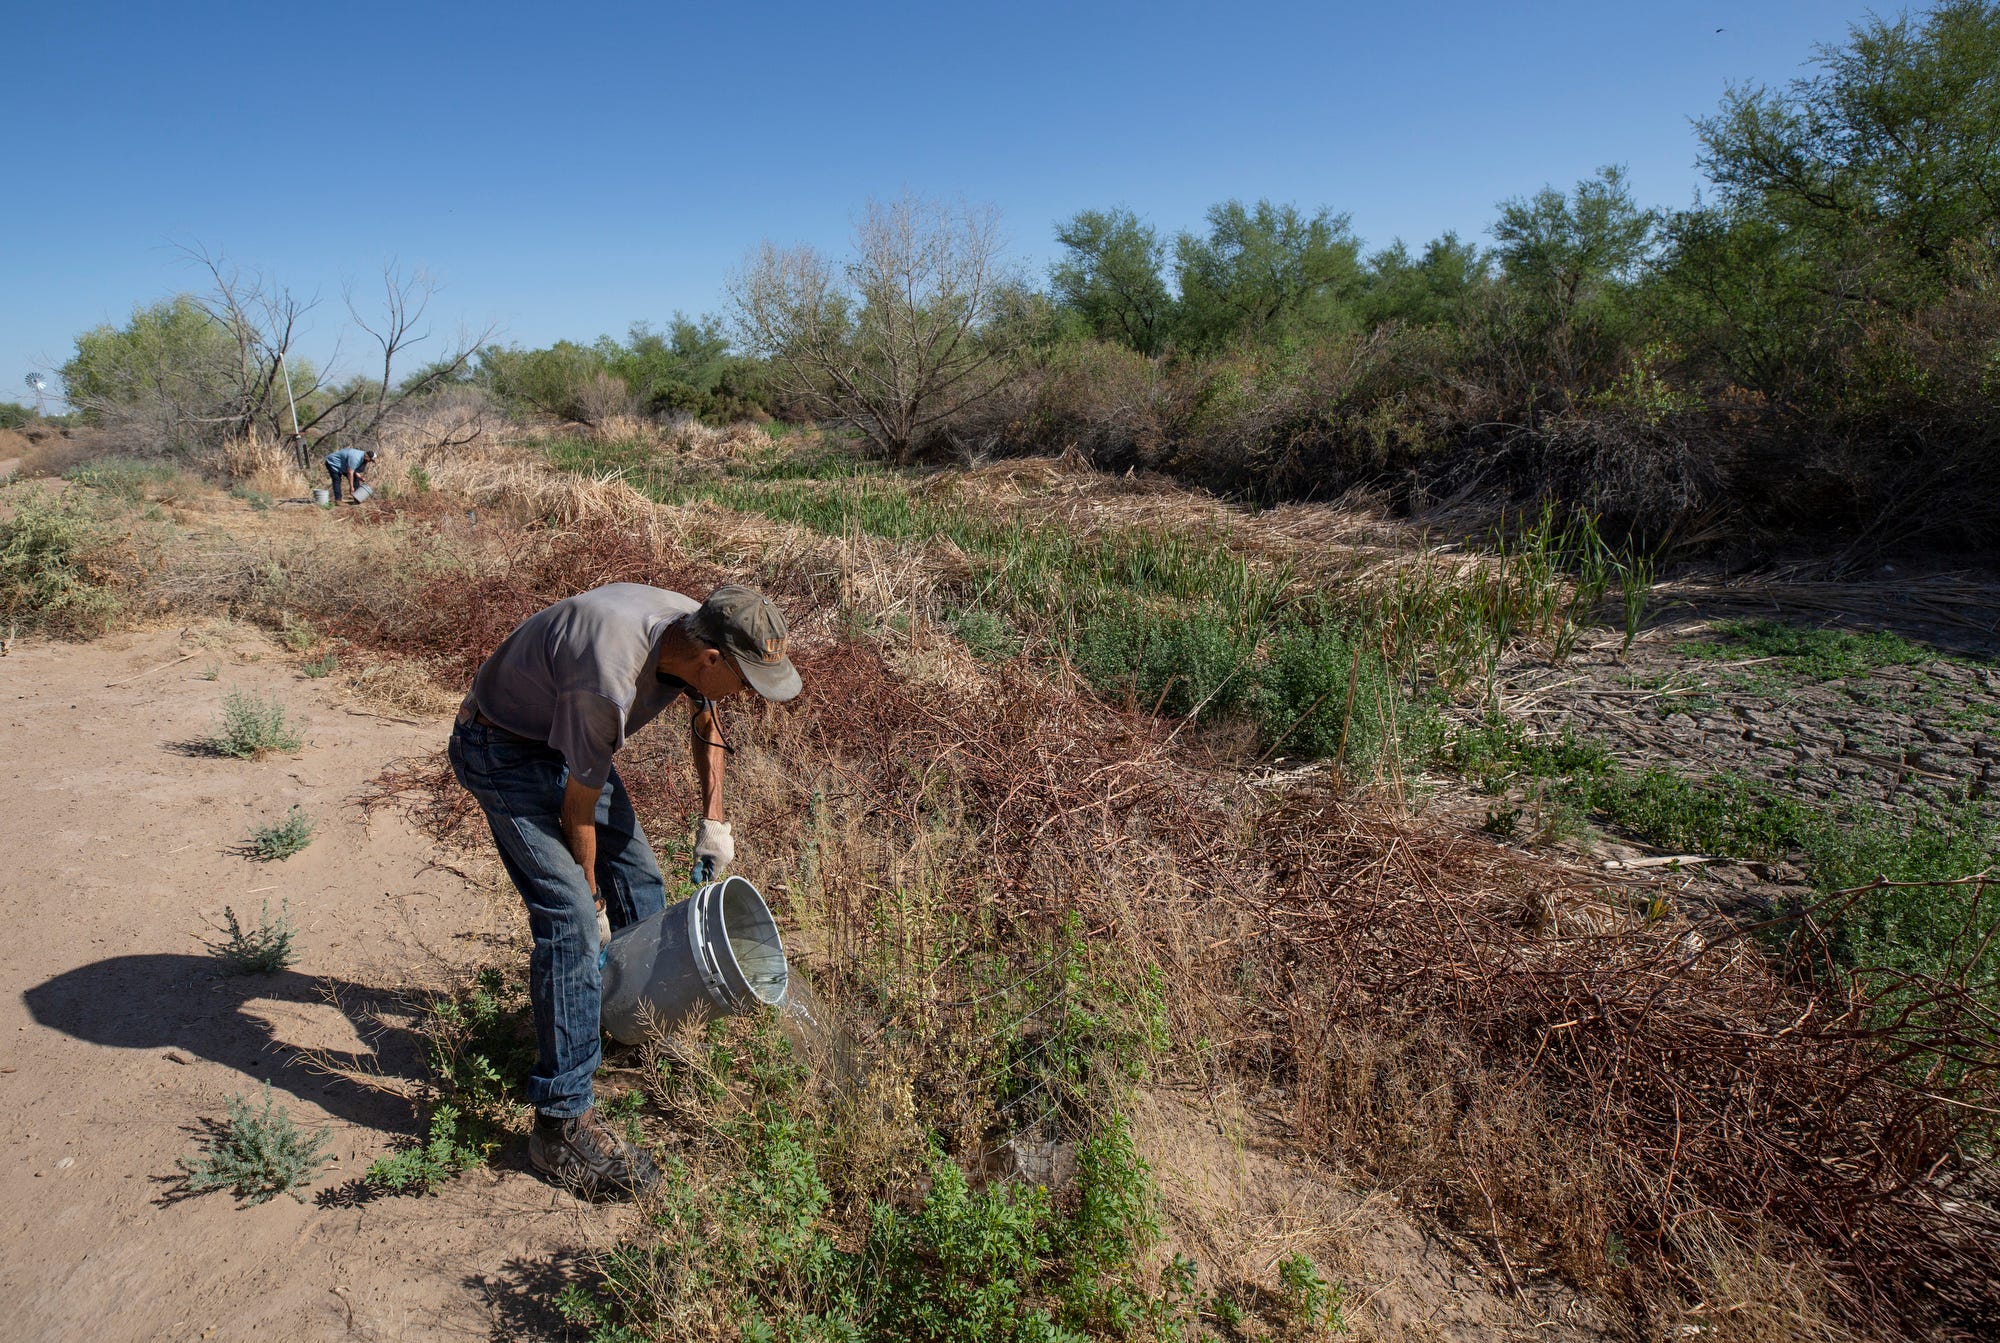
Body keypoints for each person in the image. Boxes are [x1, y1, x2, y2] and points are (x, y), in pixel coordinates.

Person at [447, 582, 802, 1198]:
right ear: (712, 660)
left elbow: (707, 714)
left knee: (642, 877)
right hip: (502, 746)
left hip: (563, 736)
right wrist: (595, 908)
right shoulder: (607, 679)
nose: (749, 696)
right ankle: (560, 1123)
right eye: (746, 683)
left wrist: (713, 818)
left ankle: (636, 1018)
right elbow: (578, 816)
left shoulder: (695, 628)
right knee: (570, 922)